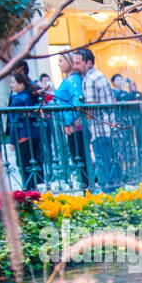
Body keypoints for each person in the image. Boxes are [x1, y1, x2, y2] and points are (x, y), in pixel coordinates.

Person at [74, 47, 121, 191]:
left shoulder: (89, 79)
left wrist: (80, 117)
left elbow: (91, 110)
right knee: (113, 166)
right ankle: (119, 196)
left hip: (100, 130)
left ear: (88, 63)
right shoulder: (100, 75)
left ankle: (111, 200)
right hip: (109, 127)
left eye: (78, 63)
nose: (75, 67)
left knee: (104, 167)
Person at [55, 53, 86, 187]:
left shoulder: (73, 80)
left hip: (75, 126)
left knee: (79, 158)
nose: (59, 64)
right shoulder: (69, 80)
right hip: (70, 124)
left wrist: (70, 122)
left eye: (61, 61)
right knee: (77, 158)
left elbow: (77, 100)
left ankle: (87, 188)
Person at [8, 72, 43, 188]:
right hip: (33, 133)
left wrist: (12, 140)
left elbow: (15, 121)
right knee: (33, 162)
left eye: (13, 82)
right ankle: (35, 188)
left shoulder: (19, 99)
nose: (11, 85)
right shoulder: (30, 96)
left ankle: (29, 190)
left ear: (21, 84)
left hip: (23, 134)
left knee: (24, 164)